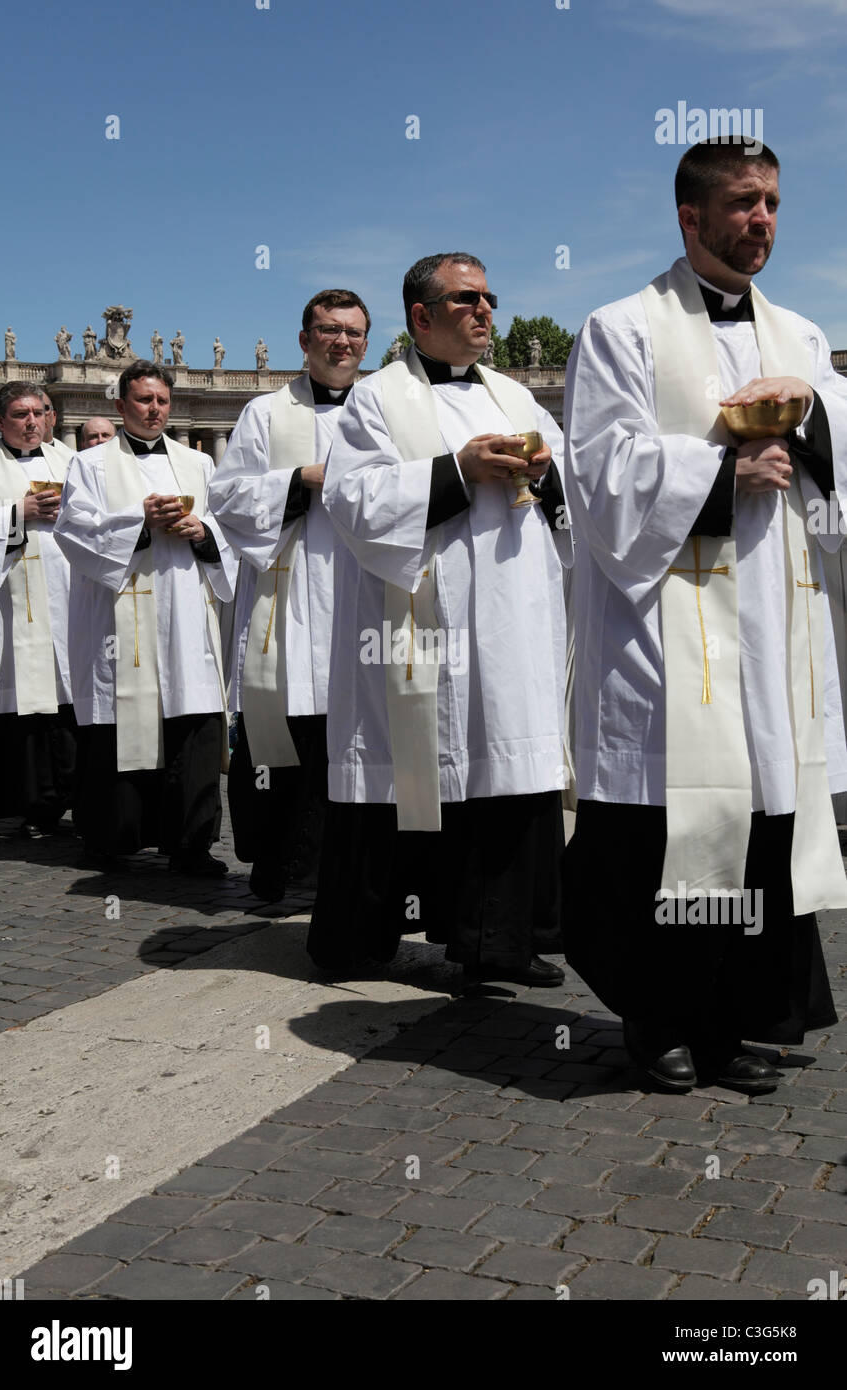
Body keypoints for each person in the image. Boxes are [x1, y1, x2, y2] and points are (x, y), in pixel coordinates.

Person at [562, 138, 847, 1093]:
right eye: (741, 203)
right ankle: (662, 1017)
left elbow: (838, 437)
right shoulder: (621, 329)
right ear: (690, 218)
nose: (761, 219)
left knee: (763, 817)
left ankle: (739, 1014)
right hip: (671, 630)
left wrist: (809, 413)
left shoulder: (800, 335)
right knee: (674, 826)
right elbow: (600, 477)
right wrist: (722, 474)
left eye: (771, 202)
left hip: (772, 622)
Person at [307, 252, 572, 984]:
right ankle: (362, 938)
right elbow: (353, 501)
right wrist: (458, 471)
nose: (487, 311)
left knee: (508, 764)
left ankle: (501, 941)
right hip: (415, 623)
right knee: (403, 772)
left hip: (510, 616)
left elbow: (575, 492)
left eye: (490, 297)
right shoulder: (376, 400)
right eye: (467, 300)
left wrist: (546, 472)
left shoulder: (518, 396)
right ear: (421, 317)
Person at [208, 290, 370, 902]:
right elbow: (226, 497)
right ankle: (281, 870)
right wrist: (298, 482)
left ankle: (348, 873)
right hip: (290, 600)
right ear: (304, 341)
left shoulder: (385, 410)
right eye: (329, 331)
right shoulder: (264, 414)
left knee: (354, 741)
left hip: (361, 598)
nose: (342, 343)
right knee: (283, 742)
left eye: (354, 333)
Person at [53, 360, 237, 873]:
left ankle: (191, 843)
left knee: (191, 722)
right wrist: (140, 525)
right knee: (119, 719)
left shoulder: (197, 463)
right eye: (143, 400)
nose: (154, 409)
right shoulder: (90, 464)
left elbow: (227, 527)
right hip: (119, 621)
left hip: (184, 612)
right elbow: (74, 533)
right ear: (120, 406)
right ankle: (113, 837)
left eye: (161, 401)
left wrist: (202, 533)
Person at [0, 383, 76, 836]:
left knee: (69, 704)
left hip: (67, 600)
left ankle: (77, 799)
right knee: (24, 707)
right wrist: (18, 513)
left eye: (39, 412)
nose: (32, 421)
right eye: (21, 414)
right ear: (0, 421)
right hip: (9, 606)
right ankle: (28, 806)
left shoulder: (72, 462)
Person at [39, 391, 74, 464]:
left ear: (54, 417)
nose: (33, 418)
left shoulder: (72, 459)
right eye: (22, 413)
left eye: (44, 408)